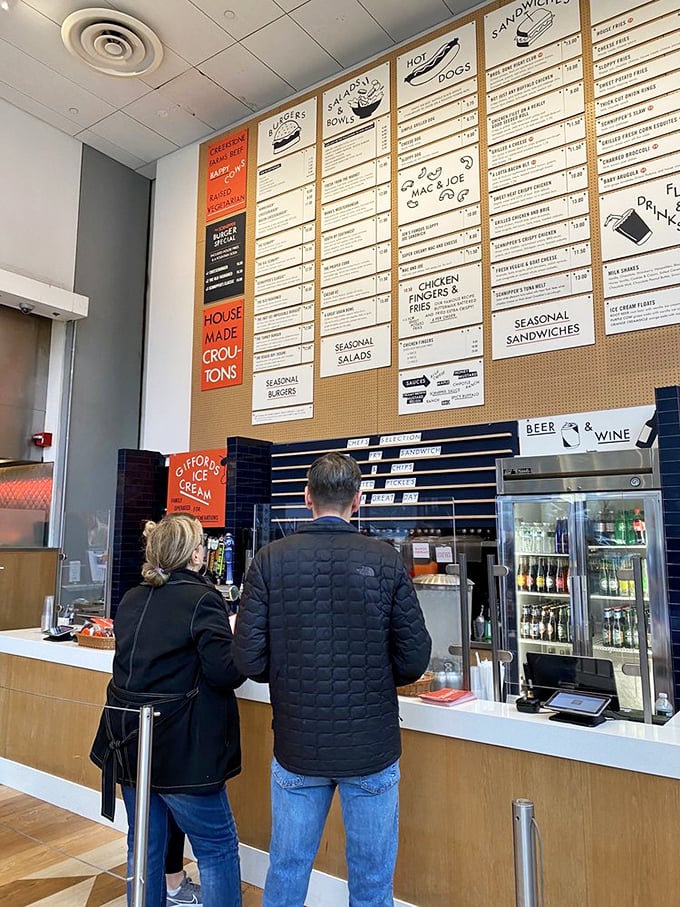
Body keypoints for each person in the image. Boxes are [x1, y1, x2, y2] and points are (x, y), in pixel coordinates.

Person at [233, 452, 432, 907]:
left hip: (299, 746)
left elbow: (247, 658)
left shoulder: (270, 560)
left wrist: (281, 671)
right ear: (357, 501)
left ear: (307, 498)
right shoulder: (385, 561)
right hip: (372, 749)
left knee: (286, 869)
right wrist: (377, 675)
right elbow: (414, 658)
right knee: (372, 881)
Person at [90, 513, 244, 907]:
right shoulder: (202, 599)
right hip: (182, 749)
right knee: (217, 848)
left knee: (143, 849)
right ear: (195, 555)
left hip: (129, 745)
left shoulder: (132, 597)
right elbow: (224, 673)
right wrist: (236, 634)